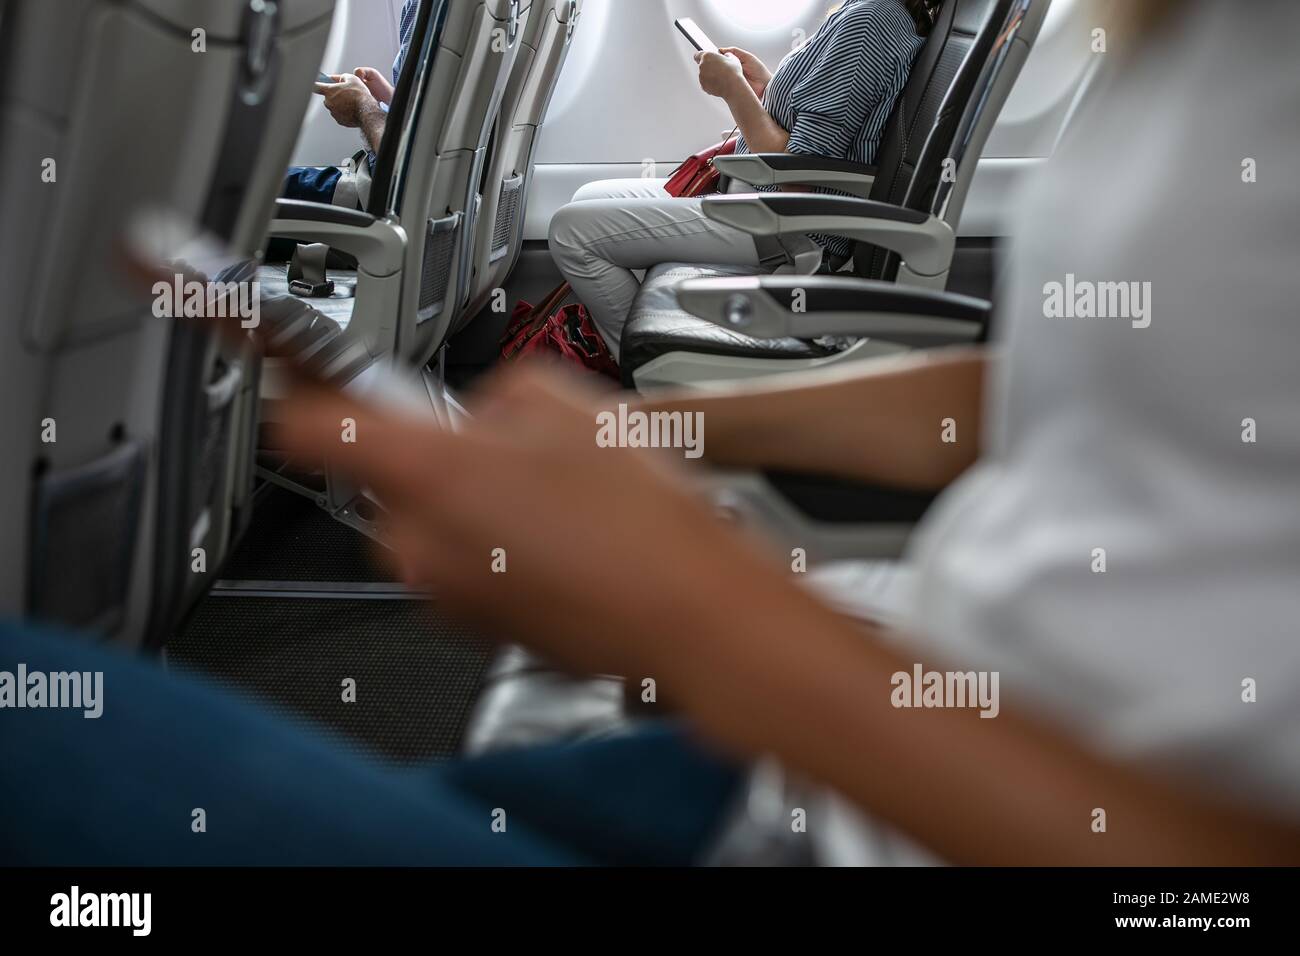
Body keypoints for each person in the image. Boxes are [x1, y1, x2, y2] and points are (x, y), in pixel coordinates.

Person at [4, 0, 1300, 866]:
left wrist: (683, 605)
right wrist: (645, 441)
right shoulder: (1205, 47)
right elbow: (1040, 394)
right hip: (827, 780)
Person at [547, 0, 937, 360]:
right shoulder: (869, 10)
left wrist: (733, 90)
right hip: (756, 198)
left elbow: (797, 172)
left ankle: (643, 376)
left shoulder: (872, 22)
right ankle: (662, 364)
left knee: (571, 232)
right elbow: (820, 126)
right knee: (586, 198)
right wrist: (765, 87)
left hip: (787, 225)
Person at [280, 0, 421, 208]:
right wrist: (390, 99)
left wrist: (362, 105)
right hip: (382, 179)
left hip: (380, 196)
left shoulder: (429, 11)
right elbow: (426, 118)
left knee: (248, 192)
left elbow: (403, 163)